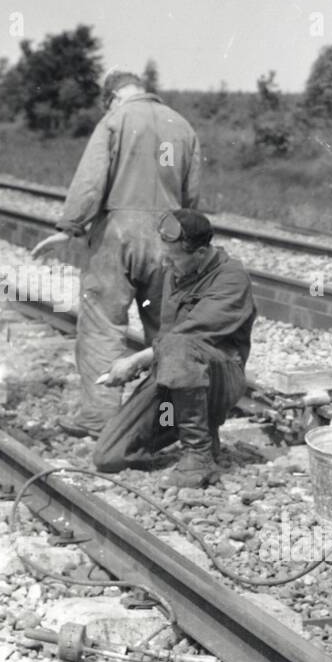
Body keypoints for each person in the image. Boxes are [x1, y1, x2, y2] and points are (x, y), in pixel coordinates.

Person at [32, 70, 202, 439]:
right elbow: (192, 196)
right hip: (170, 236)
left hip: (117, 235)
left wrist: (70, 226)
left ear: (110, 97)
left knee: (101, 326)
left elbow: (91, 181)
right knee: (168, 331)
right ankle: (168, 421)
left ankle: (100, 419)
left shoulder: (115, 120)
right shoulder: (182, 125)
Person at [92, 209, 255, 489]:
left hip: (221, 378)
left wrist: (135, 361)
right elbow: (167, 339)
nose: (166, 264)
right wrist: (151, 366)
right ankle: (191, 427)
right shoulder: (178, 272)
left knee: (180, 347)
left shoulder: (231, 278)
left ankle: (199, 452)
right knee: (110, 456)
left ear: (201, 254)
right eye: (164, 256)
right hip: (181, 372)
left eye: (173, 258)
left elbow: (188, 335)